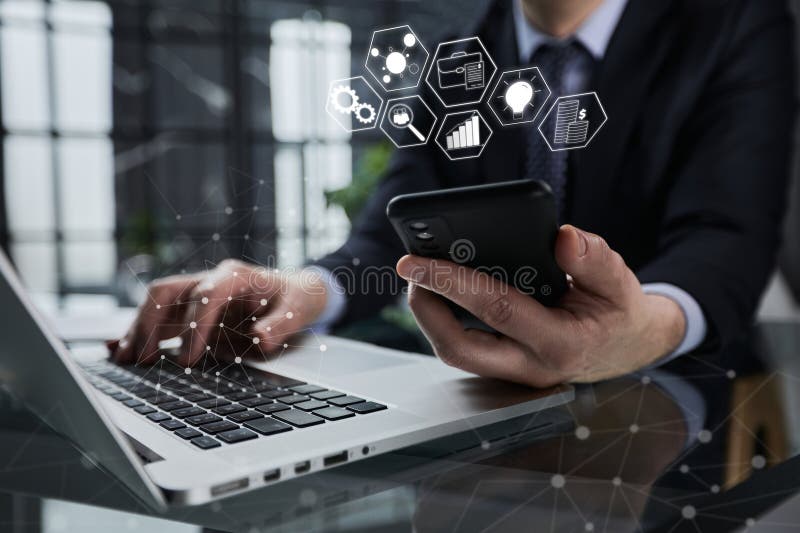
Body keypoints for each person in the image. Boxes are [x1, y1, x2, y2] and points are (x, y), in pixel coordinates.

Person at [112, 0, 797, 388]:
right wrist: (304, 290)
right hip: (491, 403)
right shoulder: (463, 53)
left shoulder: (734, 23)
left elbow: (725, 236)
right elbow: (386, 234)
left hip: (674, 398)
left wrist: (644, 328)